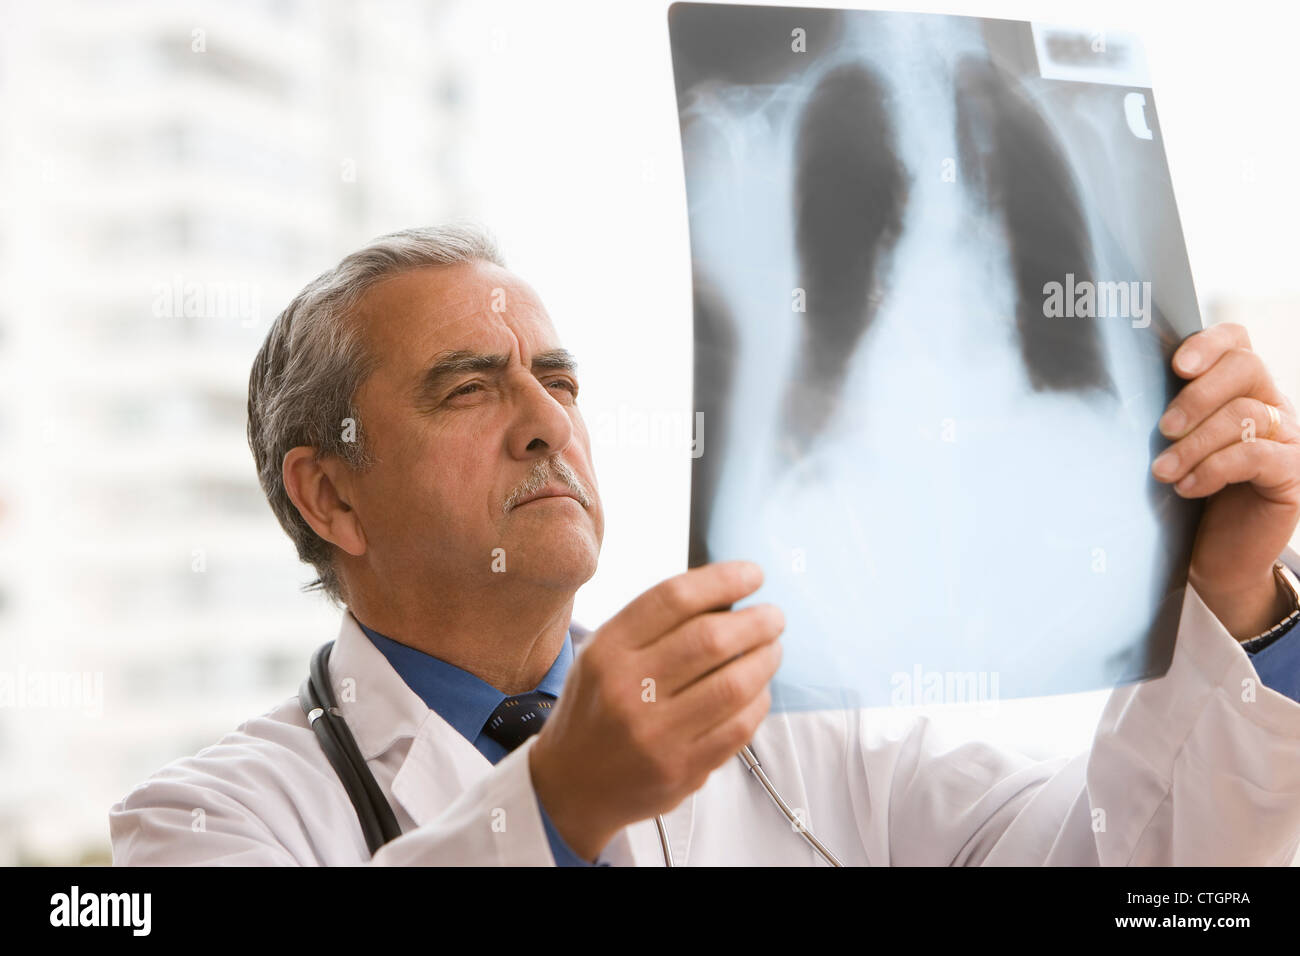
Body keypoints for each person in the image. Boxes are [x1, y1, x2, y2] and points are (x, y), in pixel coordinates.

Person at [109, 224, 1300, 866]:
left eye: (558, 378)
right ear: (331, 495)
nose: (544, 422)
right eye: (468, 390)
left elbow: (1140, 867)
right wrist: (555, 809)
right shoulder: (208, 822)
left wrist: (1236, 595)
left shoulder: (795, 731)